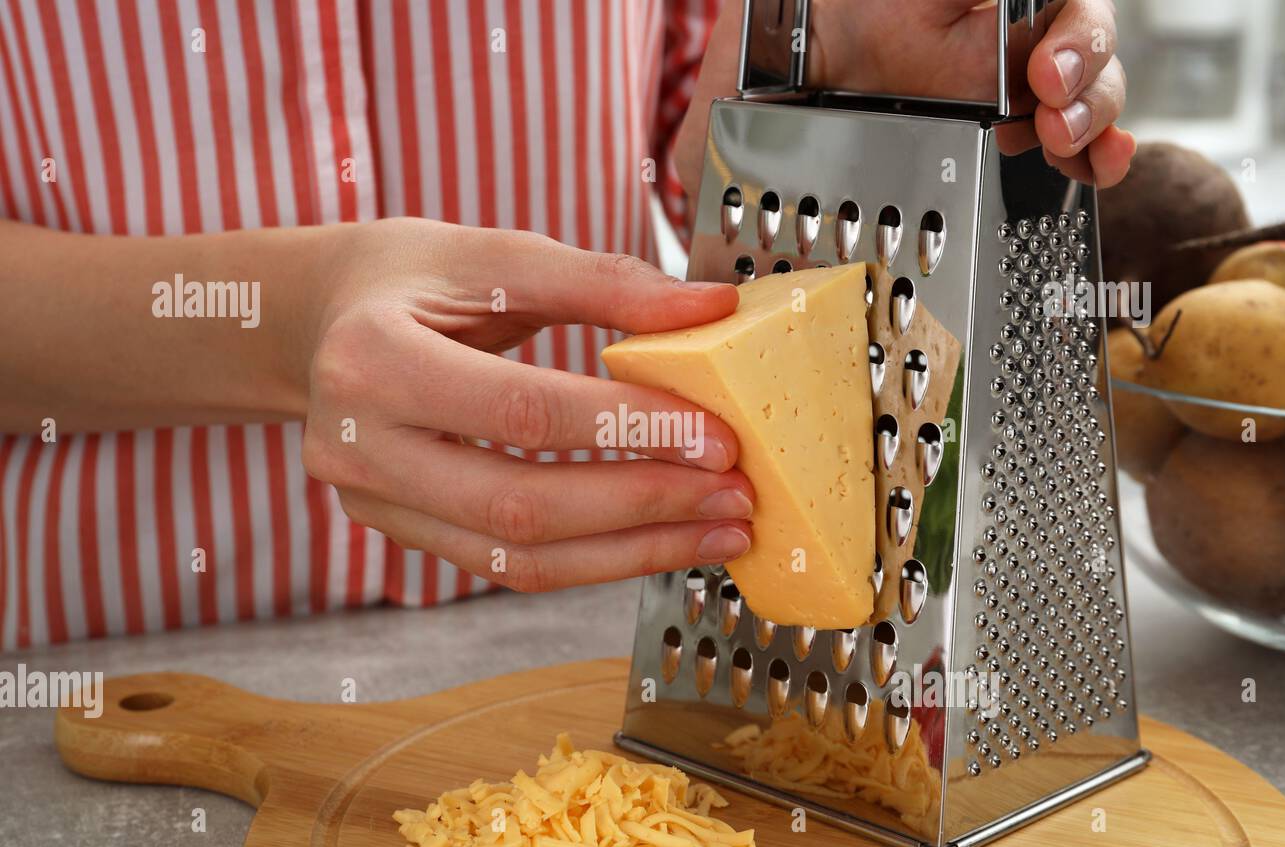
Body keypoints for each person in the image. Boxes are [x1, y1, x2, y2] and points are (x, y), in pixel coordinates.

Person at [0, 0, 1132, 650]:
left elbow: (695, 90)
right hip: (121, 656)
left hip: (585, 643)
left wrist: (816, 63)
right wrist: (280, 324)